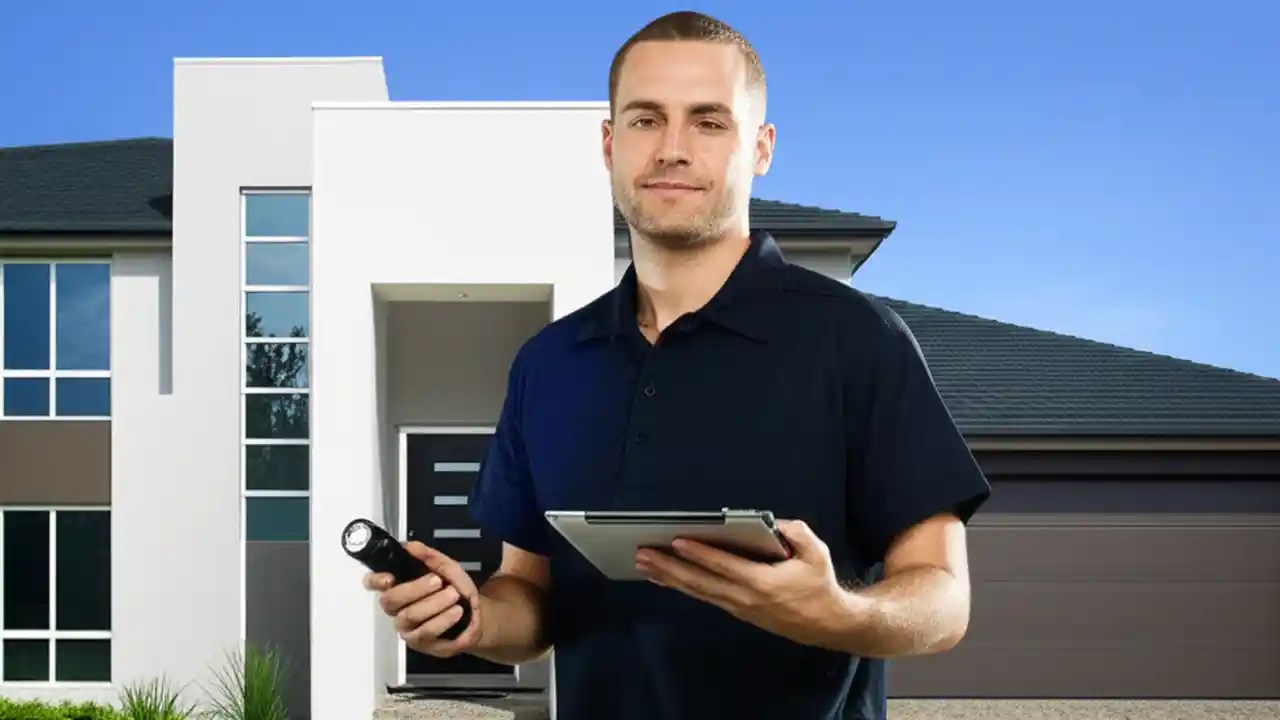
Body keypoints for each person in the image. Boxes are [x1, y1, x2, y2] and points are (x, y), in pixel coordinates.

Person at [363, 10, 991, 720]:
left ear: (761, 147)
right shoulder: (548, 363)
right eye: (645, 119)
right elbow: (531, 601)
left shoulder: (859, 340)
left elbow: (943, 598)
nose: (672, 148)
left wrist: (837, 612)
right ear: (609, 143)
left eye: (709, 121)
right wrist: (476, 617)